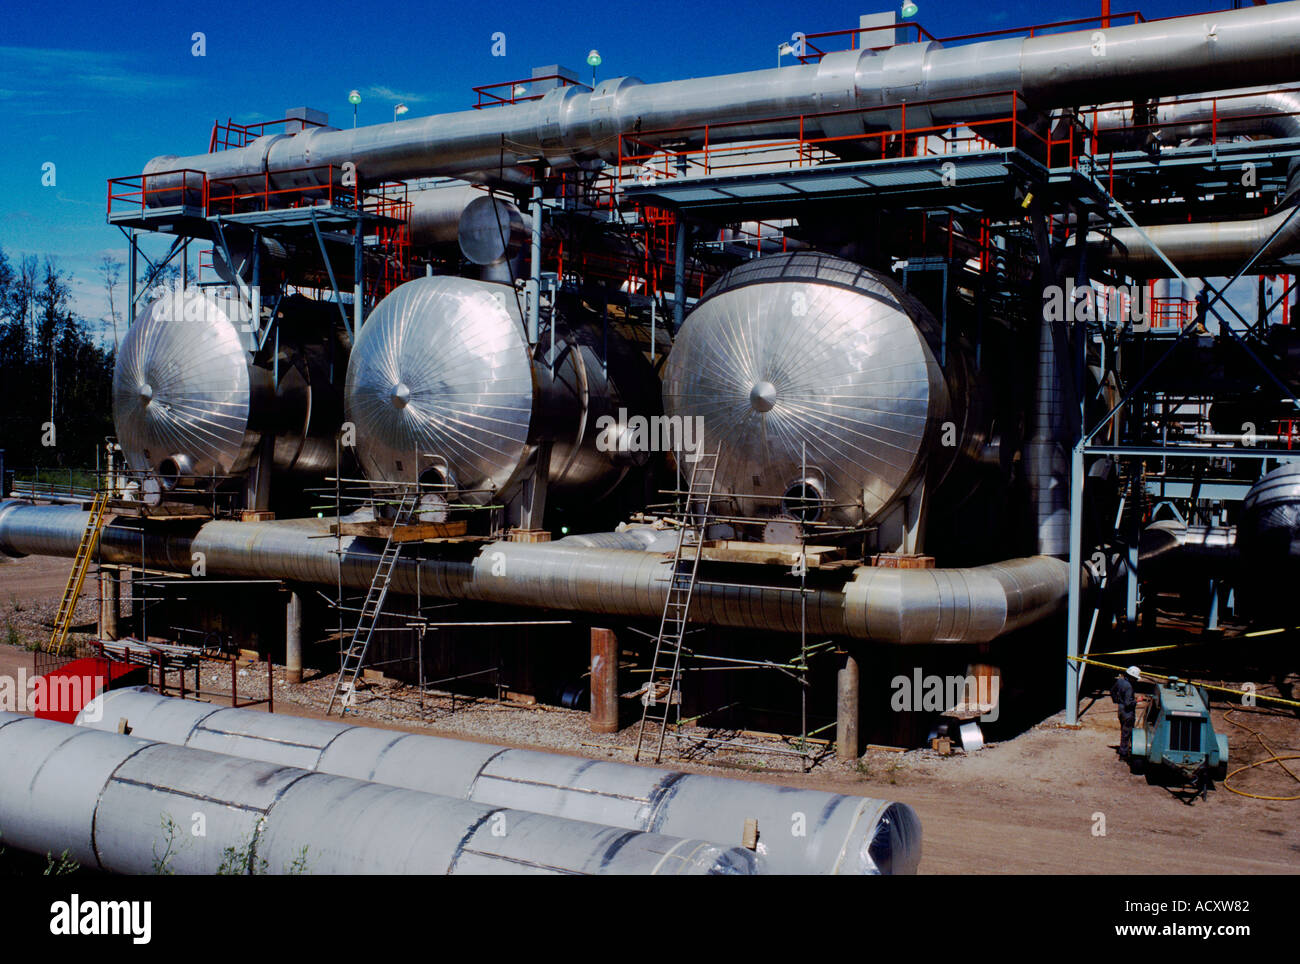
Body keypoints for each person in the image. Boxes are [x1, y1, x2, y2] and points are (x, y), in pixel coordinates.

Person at [1111, 665, 1142, 760]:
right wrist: (1137, 700)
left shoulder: (1120, 681)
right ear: (1131, 677)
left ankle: (1128, 750)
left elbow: (1112, 691)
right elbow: (1128, 704)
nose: (1136, 681)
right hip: (1128, 713)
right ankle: (1123, 754)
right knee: (1126, 733)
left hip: (1120, 710)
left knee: (1125, 731)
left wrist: (1117, 701)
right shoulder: (1129, 687)